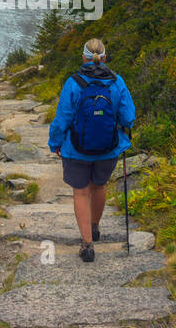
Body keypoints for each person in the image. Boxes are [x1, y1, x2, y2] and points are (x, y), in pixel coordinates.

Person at [48, 38, 135, 262]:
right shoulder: (117, 82)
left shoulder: (74, 83)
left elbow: (62, 119)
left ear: (84, 57)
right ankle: (95, 228)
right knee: (99, 186)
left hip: (77, 150)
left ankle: (87, 244)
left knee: (81, 192)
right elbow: (128, 117)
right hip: (108, 148)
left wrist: (55, 143)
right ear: (104, 57)